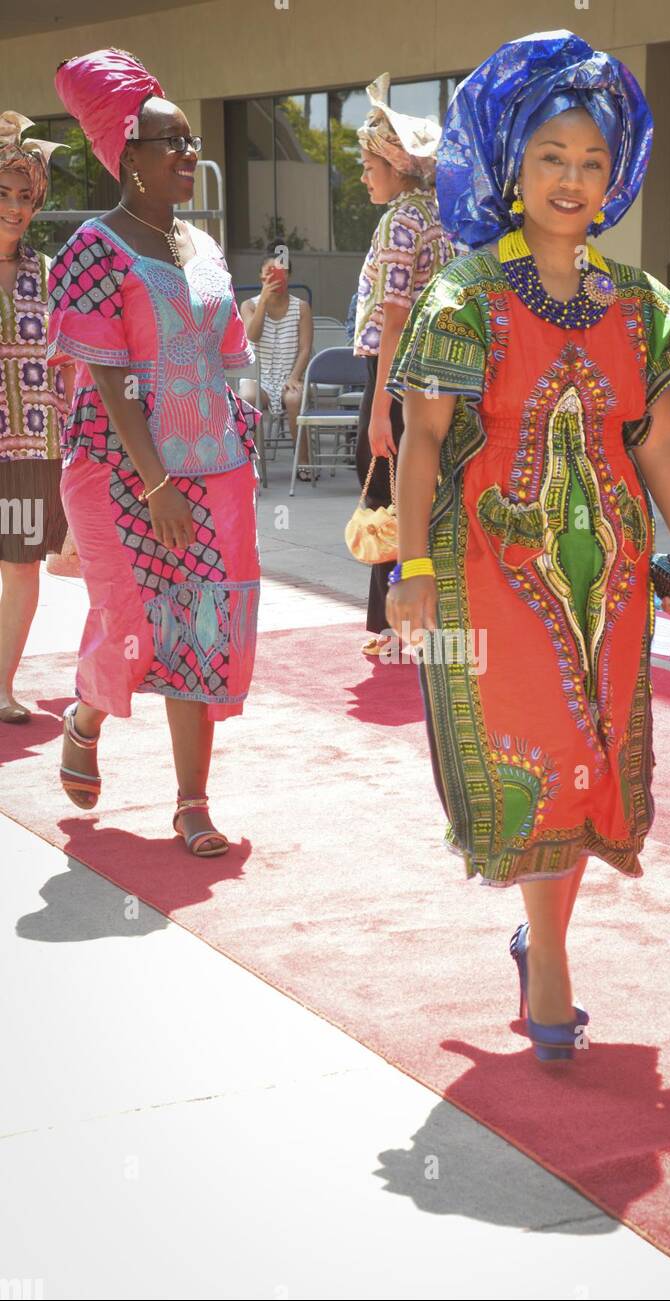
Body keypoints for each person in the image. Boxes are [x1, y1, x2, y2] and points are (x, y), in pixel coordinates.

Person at [385, 31, 670, 1060]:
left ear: (613, 176)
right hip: (489, 579)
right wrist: (414, 568)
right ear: (511, 171)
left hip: (608, 580)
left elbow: (657, 437)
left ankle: (541, 943)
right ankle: (555, 968)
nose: (571, 181)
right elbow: (423, 438)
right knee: (532, 752)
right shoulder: (462, 297)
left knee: (586, 761)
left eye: (589, 162)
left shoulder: (640, 304)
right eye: (549, 160)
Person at [48, 48, 261, 857]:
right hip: (119, 475)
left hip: (214, 472)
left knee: (200, 626)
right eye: (170, 143)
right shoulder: (94, 250)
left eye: (191, 143)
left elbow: (229, 358)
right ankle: (86, 714)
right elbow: (106, 379)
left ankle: (191, 803)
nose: (187, 157)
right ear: (126, 156)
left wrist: (235, 450)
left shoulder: (203, 251)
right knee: (133, 623)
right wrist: (157, 482)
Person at [353, 72, 455, 658]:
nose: (366, 176)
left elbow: (393, 317)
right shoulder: (442, 216)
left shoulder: (400, 221)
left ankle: (394, 628)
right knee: (427, 497)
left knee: (386, 502)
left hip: (395, 374)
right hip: (438, 373)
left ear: (395, 165)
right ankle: (423, 621)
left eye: (370, 165)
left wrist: (379, 408)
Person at [0, 112, 70, 724]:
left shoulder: (47, 273)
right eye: (4, 193)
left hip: (31, 448)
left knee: (20, 564)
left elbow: (70, 360)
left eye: (26, 196)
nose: (16, 208)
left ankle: (2, 686)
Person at [239, 242, 313, 479]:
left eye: (280, 272)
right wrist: (263, 302)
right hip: (257, 376)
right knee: (248, 398)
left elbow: (305, 349)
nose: (274, 277)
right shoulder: (249, 305)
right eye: (269, 273)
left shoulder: (301, 307)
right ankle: (254, 467)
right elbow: (252, 335)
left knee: (294, 398)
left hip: (290, 373)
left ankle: (303, 463)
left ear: (288, 275)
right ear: (261, 276)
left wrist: (294, 376)